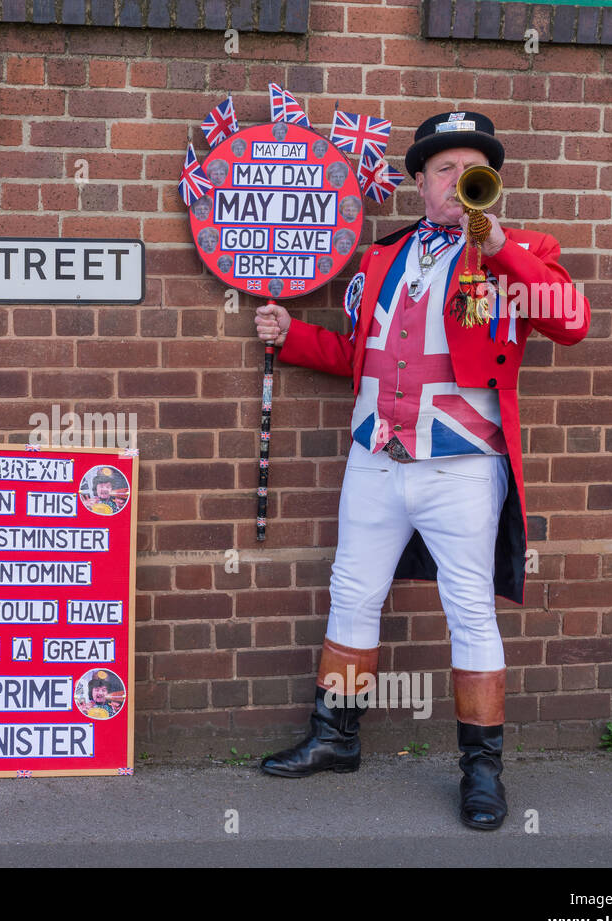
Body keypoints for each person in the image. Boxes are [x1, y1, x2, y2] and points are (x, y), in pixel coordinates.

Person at [252, 110, 590, 830]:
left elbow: (570, 319)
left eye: (472, 169)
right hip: (375, 458)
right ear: (420, 182)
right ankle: (336, 735)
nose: (458, 182)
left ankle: (481, 771)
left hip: (461, 464)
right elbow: (358, 357)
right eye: (444, 169)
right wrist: (294, 334)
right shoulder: (384, 257)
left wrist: (496, 243)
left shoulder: (521, 249)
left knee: (468, 608)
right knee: (352, 591)